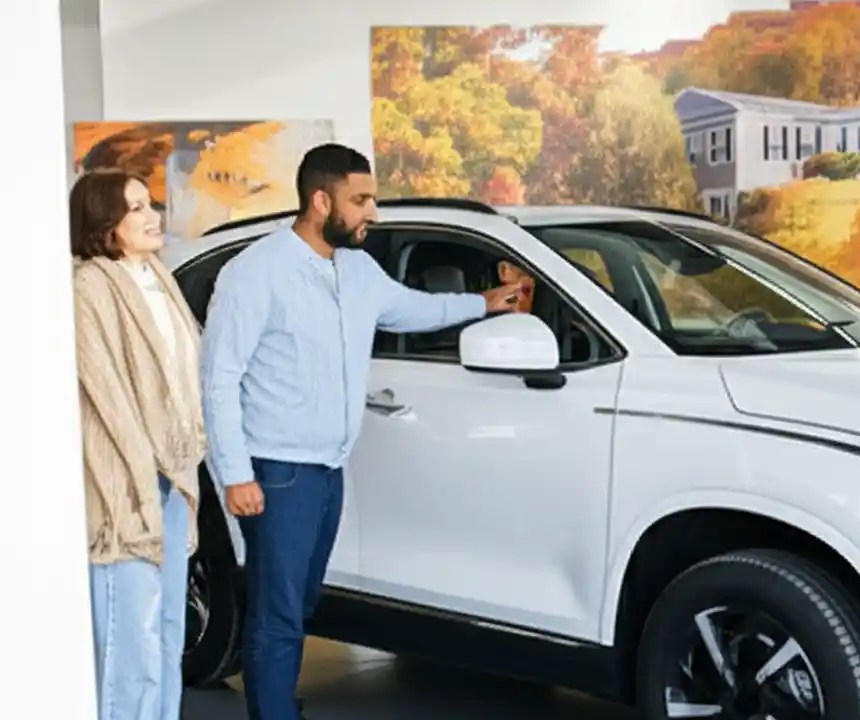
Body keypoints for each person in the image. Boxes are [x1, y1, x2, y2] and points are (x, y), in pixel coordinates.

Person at [200, 143, 522, 720]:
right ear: (321, 201)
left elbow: (413, 309)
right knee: (277, 614)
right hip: (276, 471)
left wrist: (484, 302)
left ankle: (276, 698)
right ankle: (274, 712)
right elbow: (219, 379)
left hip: (328, 469)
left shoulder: (357, 268)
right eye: (362, 199)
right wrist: (235, 475)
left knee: (298, 603)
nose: (373, 211)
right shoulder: (255, 273)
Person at [70, 168, 206, 720]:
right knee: (132, 647)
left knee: (168, 633)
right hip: (126, 484)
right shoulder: (89, 287)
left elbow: (184, 373)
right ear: (104, 222)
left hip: (173, 477)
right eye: (135, 208)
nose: (153, 217)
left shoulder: (157, 275)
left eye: (150, 204)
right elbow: (105, 393)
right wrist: (141, 473)